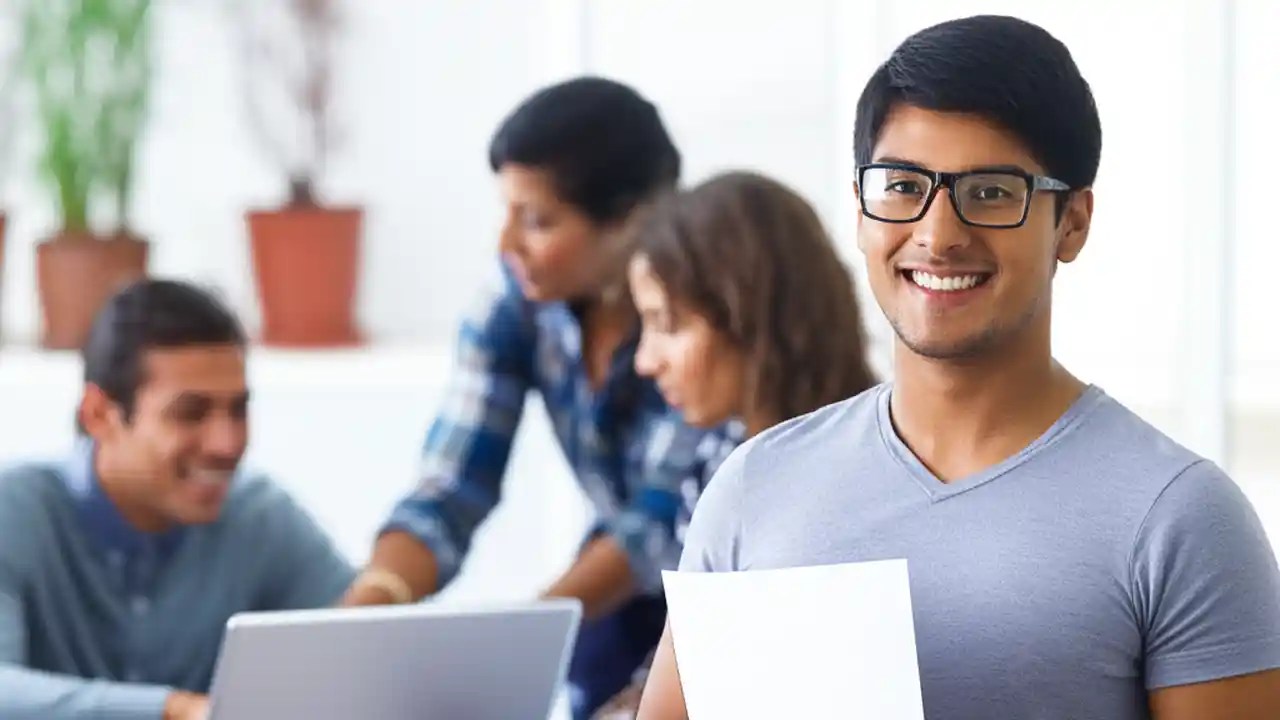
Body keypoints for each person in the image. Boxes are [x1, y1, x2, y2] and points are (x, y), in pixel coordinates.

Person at [638, 15, 1280, 720]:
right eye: (902, 186)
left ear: (1073, 223)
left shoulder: (1180, 517)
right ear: (860, 208)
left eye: (992, 192)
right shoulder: (753, 488)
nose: (938, 235)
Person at [339, 77, 738, 720]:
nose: (507, 245)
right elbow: (452, 483)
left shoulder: (712, 314)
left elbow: (660, 520)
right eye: (507, 213)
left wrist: (518, 643)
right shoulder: (516, 299)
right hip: (616, 598)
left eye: (537, 220)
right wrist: (369, 607)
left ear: (634, 221)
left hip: (727, 590)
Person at [591, 170, 879, 718]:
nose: (646, 361)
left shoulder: (866, 473)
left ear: (747, 316)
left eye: (667, 325)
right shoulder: (711, 463)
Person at [0, 279, 355, 720]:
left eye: (238, 410)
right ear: (99, 414)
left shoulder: (259, 516)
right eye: (191, 413)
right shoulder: (15, 512)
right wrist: (175, 711)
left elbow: (366, 652)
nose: (226, 444)